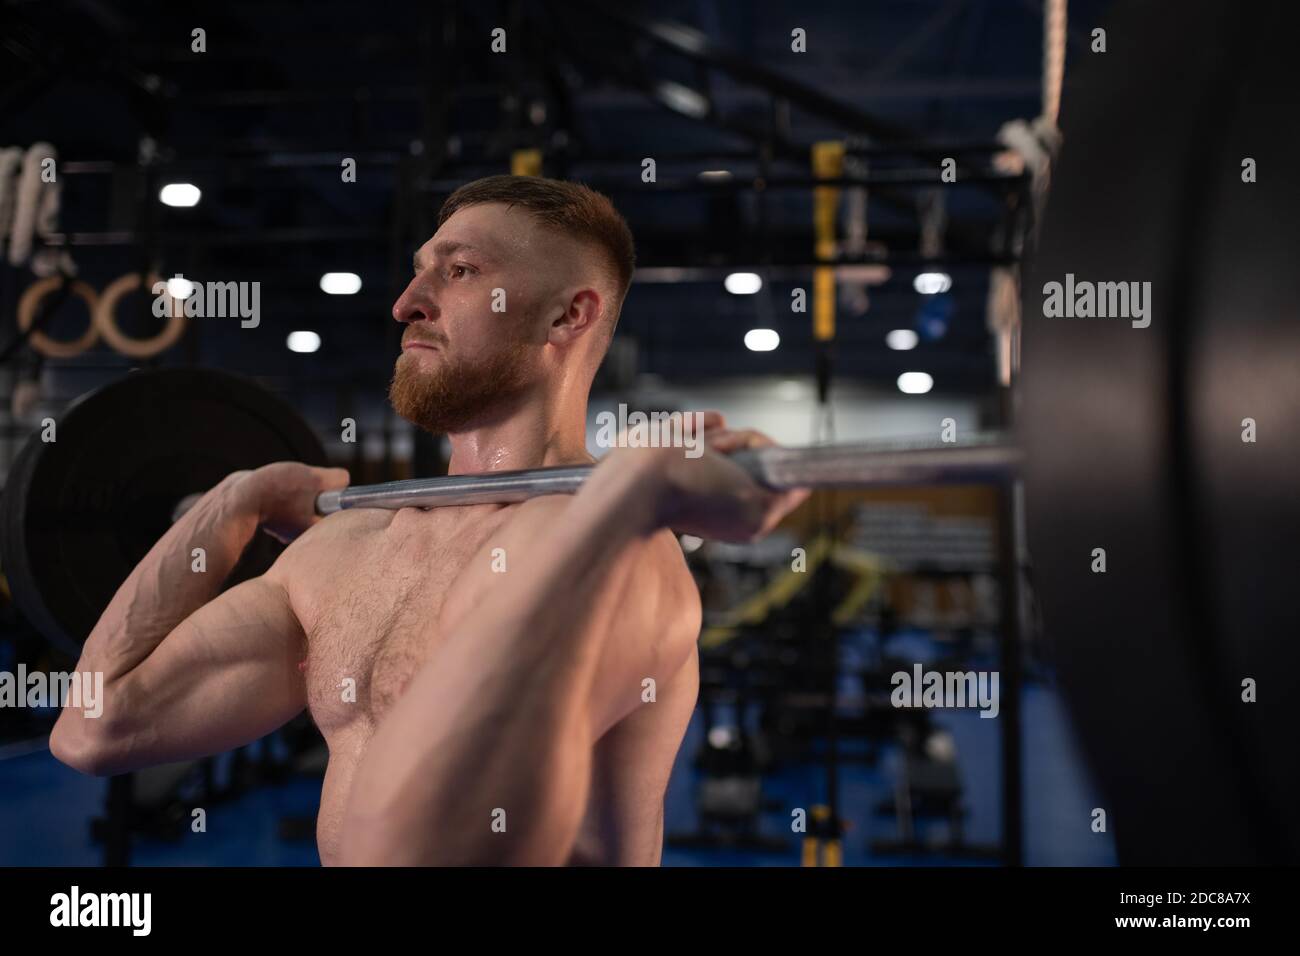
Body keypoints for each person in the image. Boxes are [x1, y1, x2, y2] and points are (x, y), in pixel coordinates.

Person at [50, 176, 806, 865]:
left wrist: (623, 503)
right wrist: (233, 501)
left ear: (567, 314)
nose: (407, 301)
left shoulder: (618, 560)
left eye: (460, 270)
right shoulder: (345, 549)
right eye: (419, 268)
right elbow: (96, 726)